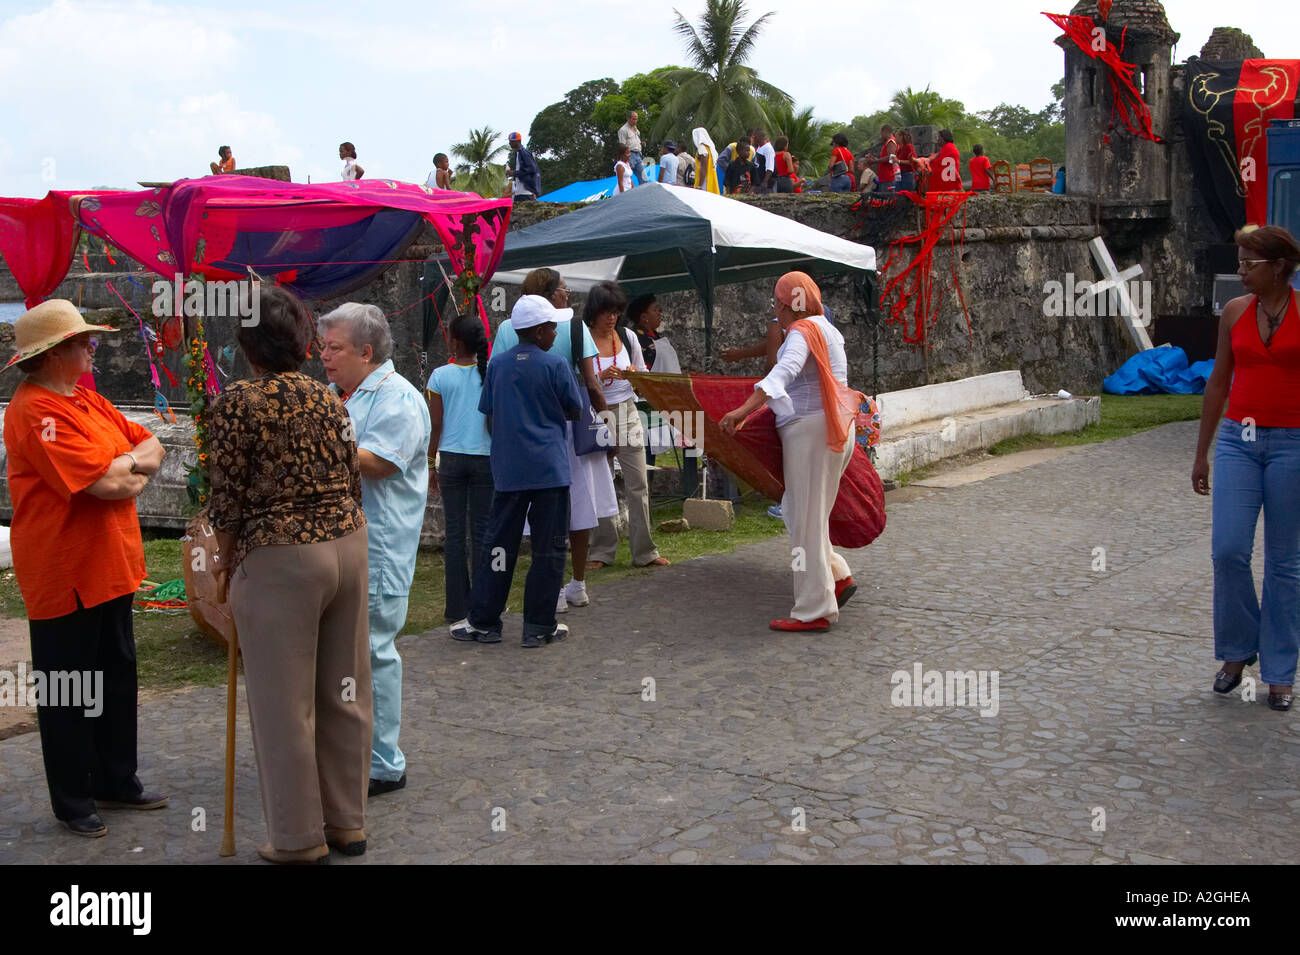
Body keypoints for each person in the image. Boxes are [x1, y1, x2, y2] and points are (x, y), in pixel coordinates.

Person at [208, 285, 371, 864]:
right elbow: (351, 476)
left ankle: (299, 838)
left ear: (248, 345)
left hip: (282, 556)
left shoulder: (238, 403)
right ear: (301, 342)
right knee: (344, 692)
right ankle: (346, 824)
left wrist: (224, 563)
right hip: (348, 545)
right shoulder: (329, 397)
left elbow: (224, 500)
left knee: (285, 705)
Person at [3, 300, 168, 838]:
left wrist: (125, 469)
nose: (91, 348)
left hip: (111, 563)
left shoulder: (87, 400)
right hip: (65, 569)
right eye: (82, 342)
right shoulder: (34, 413)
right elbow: (108, 484)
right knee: (70, 687)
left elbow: (151, 446)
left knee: (116, 677)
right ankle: (74, 797)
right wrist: (126, 471)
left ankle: (116, 778)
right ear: (54, 354)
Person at [318, 303, 431, 799]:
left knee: (374, 651)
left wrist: (313, 444)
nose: (323, 355)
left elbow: (381, 463)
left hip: (380, 544)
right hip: (340, 541)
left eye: (334, 347)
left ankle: (384, 762)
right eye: (323, 345)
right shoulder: (337, 394)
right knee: (345, 653)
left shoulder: (397, 398)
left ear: (366, 351)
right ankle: (348, 749)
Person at [1193, 225, 1300, 712]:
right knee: (1229, 550)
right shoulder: (1235, 312)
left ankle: (1279, 671)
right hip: (1241, 440)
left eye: (1248, 263)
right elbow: (1218, 383)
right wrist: (1202, 451)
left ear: (1278, 266)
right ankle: (1237, 651)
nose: (1240, 271)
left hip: (1292, 444)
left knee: (1284, 563)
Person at [719, 273, 857, 632]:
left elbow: (783, 372)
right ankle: (835, 576)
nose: (776, 310)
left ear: (784, 303)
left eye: (776, 303)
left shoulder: (801, 332)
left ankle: (814, 609)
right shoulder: (827, 328)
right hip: (831, 429)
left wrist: (741, 410)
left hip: (811, 432)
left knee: (806, 519)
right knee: (802, 513)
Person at [450, 295, 585, 647]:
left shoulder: (497, 365)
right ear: (539, 332)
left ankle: (484, 621)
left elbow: (490, 413)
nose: (556, 333)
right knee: (548, 548)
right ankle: (538, 626)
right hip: (550, 471)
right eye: (553, 327)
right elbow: (575, 409)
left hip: (509, 471)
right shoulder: (555, 366)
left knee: (499, 547)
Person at [491, 269, 616, 611]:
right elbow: (591, 383)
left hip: (521, 429)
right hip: (567, 429)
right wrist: (606, 426)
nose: (567, 294)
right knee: (578, 506)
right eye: (562, 288)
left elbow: (497, 374)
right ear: (550, 294)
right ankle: (575, 582)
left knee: (529, 513)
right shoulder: (574, 327)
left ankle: (548, 584)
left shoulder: (506, 330)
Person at [584, 282, 670, 570]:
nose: (611, 318)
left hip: (627, 409)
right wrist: (600, 374)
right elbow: (576, 377)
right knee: (602, 481)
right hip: (597, 413)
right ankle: (601, 550)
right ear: (593, 313)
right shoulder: (582, 337)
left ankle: (644, 551)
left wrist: (634, 374)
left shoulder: (627, 336)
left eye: (616, 312)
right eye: (606, 313)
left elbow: (644, 376)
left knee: (638, 481)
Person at [428, 315, 493, 625]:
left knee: (454, 535)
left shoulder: (440, 376)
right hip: (485, 457)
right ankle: (483, 601)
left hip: (451, 459)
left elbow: (436, 425)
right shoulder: (490, 373)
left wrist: (430, 463)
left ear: (453, 342)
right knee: (481, 532)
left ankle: (456, 607)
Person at [507, 132, 541, 201]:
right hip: (519, 192)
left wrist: (513, 173)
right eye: (509, 141)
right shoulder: (517, 153)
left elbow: (532, 169)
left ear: (518, 141)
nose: (510, 143)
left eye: (512, 141)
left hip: (526, 191)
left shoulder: (524, 152)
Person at [618, 111, 645, 186]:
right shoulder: (623, 130)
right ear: (628, 119)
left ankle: (645, 194)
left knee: (643, 176)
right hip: (630, 154)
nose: (635, 121)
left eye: (636, 119)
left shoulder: (637, 130)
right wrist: (626, 157)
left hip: (638, 154)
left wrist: (641, 143)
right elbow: (622, 145)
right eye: (633, 119)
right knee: (627, 176)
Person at [875, 125, 899, 193]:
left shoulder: (891, 142)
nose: (881, 136)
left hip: (889, 177)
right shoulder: (889, 142)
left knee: (888, 199)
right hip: (885, 177)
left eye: (881, 133)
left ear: (884, 132)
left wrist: (876, 161)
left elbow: (890, 158)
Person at [752, 128, 776, 194]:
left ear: (761, 137)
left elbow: (770, 168)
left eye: (755, 136)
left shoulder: (768, 149)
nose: (754, 138)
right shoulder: (759, 148)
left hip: (766, 184)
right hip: (758, 182)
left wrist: (765, 181)